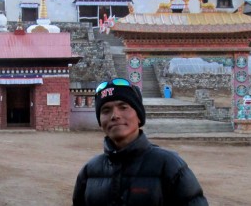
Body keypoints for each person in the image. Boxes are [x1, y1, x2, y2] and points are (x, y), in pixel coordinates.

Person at [73, 78, 207, 205]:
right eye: (106, 110)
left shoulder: (170, 166)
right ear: (100, 122)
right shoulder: (89, 172)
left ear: (139, 116)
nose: (115, 116)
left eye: (123, 107)